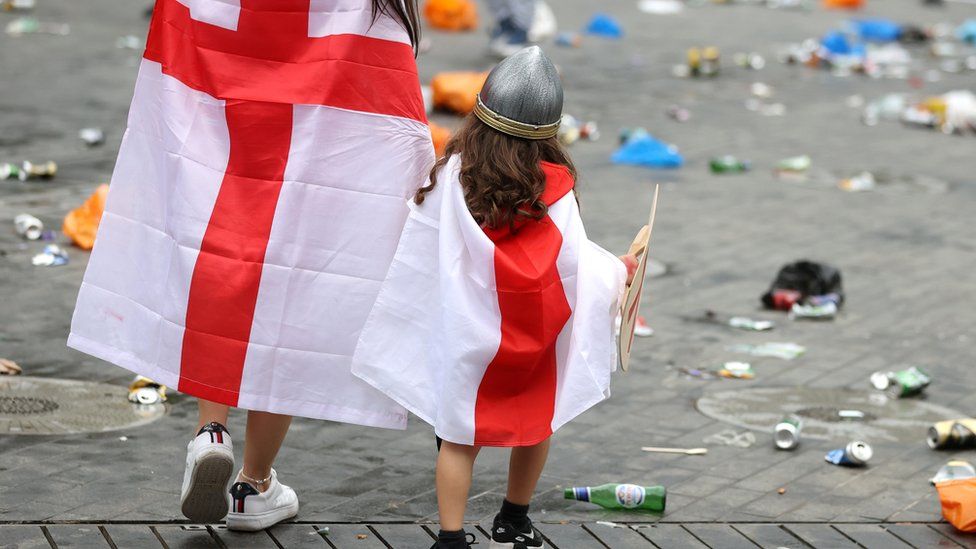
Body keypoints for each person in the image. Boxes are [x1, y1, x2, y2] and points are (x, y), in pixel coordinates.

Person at [67, 0, 430, 531]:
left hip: (231, 86)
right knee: (287, 285)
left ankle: (211, 432)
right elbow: (391, 103)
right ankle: (253, 484)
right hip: (314, 121)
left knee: (222, 252)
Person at [352, 46, 638, 549]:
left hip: (465, 334)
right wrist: (622, 272)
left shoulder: (449, 178)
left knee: (459, 437)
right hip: (534, 333)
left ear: (479, 116)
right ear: (548, 133)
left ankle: (451, 537)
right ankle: (514, 518)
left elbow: (420, 253)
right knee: (536, 424)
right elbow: (575, 265)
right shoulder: (556, 190)